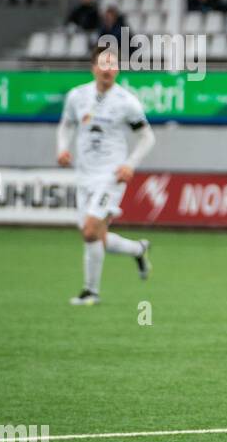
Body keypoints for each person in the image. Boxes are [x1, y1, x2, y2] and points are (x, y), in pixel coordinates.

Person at [57, 46, 156, 306]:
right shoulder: (77, 97)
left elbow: (147, 137)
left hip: (111, 176)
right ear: (93, 68)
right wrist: (62, 149)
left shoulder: (127, 102)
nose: (108, 69)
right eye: (103, 63)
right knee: (96, 237)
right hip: (84, 175)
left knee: (90, 231)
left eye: (113, 64)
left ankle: (91, 292)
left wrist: (130, 165)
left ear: (118, 70)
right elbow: (66, 125)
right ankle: (138, 249)